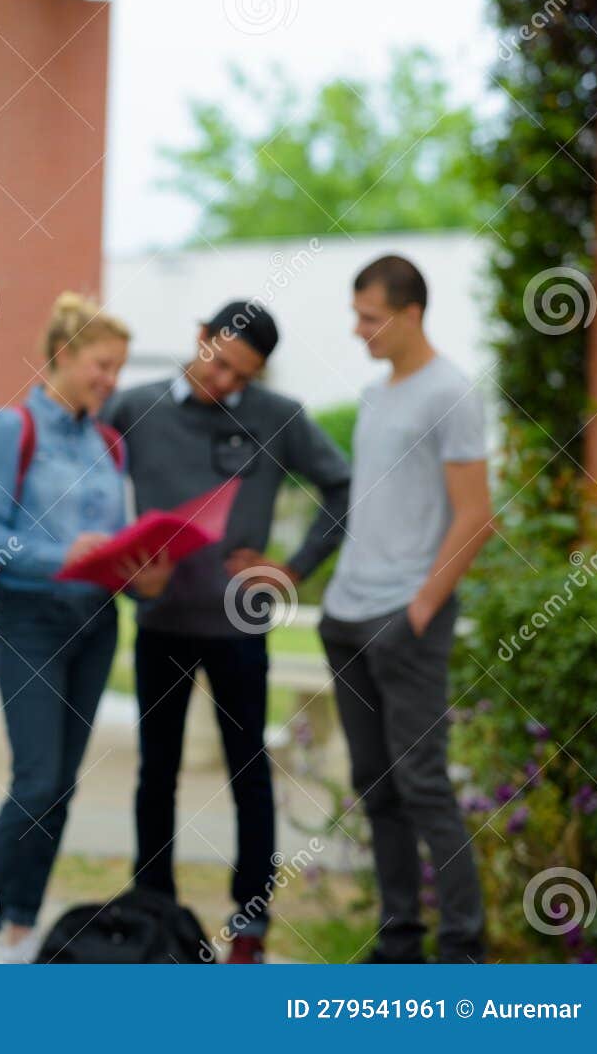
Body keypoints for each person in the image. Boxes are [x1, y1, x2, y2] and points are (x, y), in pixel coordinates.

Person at [103, 299, 351, 963]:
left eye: (241, 375)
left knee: (249, 774)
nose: (224, 383)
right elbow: (83, 488)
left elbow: (343, 487)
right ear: (201, 336)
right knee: (156, 774)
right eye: (219, 362)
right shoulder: (133, 408)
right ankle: (152, 908)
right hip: (160, 623)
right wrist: (124, 570)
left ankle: (251, 923)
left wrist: (293, 569)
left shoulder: (279, 417)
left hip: (239, 627)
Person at [0, 294, 173, 963]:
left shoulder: (107, 441)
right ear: (62, 355)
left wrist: (142, 572)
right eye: (101, 366)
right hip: (31, 619)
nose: (110, 381)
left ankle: (21, 931)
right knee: (37, 779)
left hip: (97, 621)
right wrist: (61, 557)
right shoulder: (12, 427)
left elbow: (109, 539)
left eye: (118, 369)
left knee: (64, 787)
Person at [319, 255, 494, 963]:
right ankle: (399, 943)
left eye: (370, 316)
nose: (358, 329)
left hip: (404, 618)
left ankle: (463, 950)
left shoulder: (450, 392)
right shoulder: (375, 394)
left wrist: (419, 608)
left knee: (423, 785)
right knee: (377, 786)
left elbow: (475, 516)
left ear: (410, 312)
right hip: (346, 615)